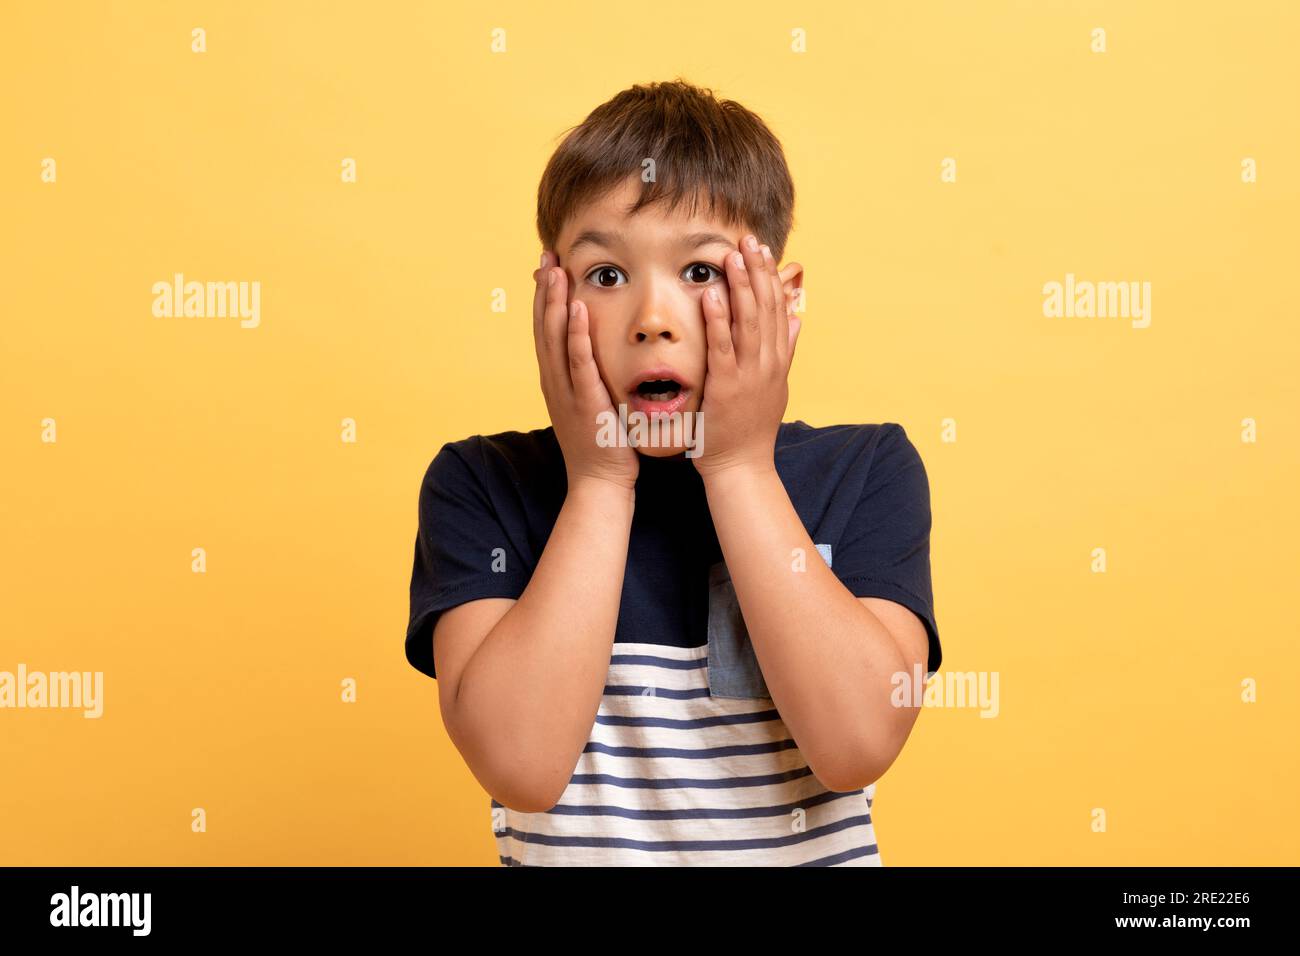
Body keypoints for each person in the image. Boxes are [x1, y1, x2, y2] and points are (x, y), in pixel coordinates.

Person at [405, 78, 941, 865]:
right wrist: (597, 483)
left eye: (699, 273)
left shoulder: (866, 469)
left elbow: (857, 743)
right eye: (606, 276)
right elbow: (520, 766)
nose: (651, 319)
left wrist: (738, 466)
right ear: (551, 297)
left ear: (782, 301)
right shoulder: (480, 483)